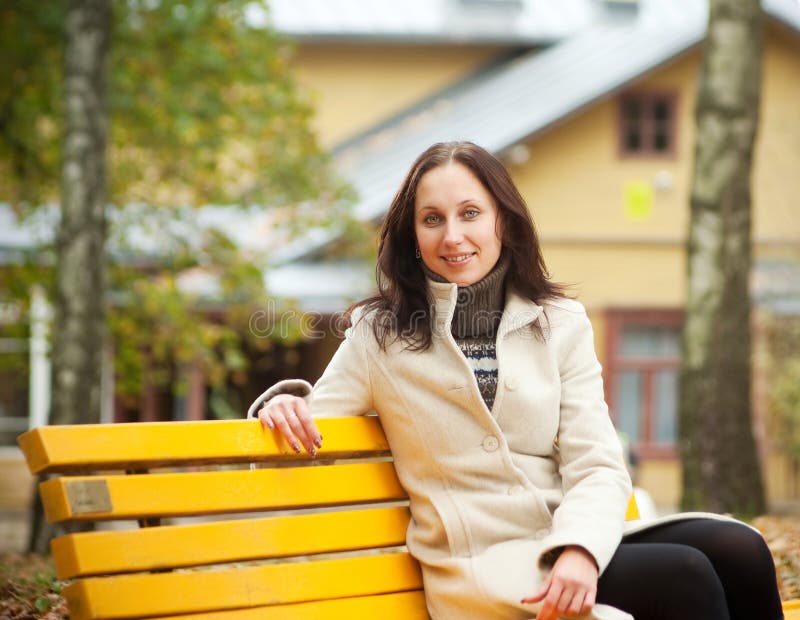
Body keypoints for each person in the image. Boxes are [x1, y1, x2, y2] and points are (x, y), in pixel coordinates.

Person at [248, 142, 782, 620]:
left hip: (560, 534)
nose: (452, 236)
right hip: (483, 565)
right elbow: (308, 420)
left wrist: (578, 549)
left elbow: (597, 462)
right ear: (413, 235)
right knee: (683, 575)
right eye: (432, 219)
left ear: (503, 220)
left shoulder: (559, 322)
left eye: (470, 213)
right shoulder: (381, 336)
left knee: (739, 548)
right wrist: (282, 406)